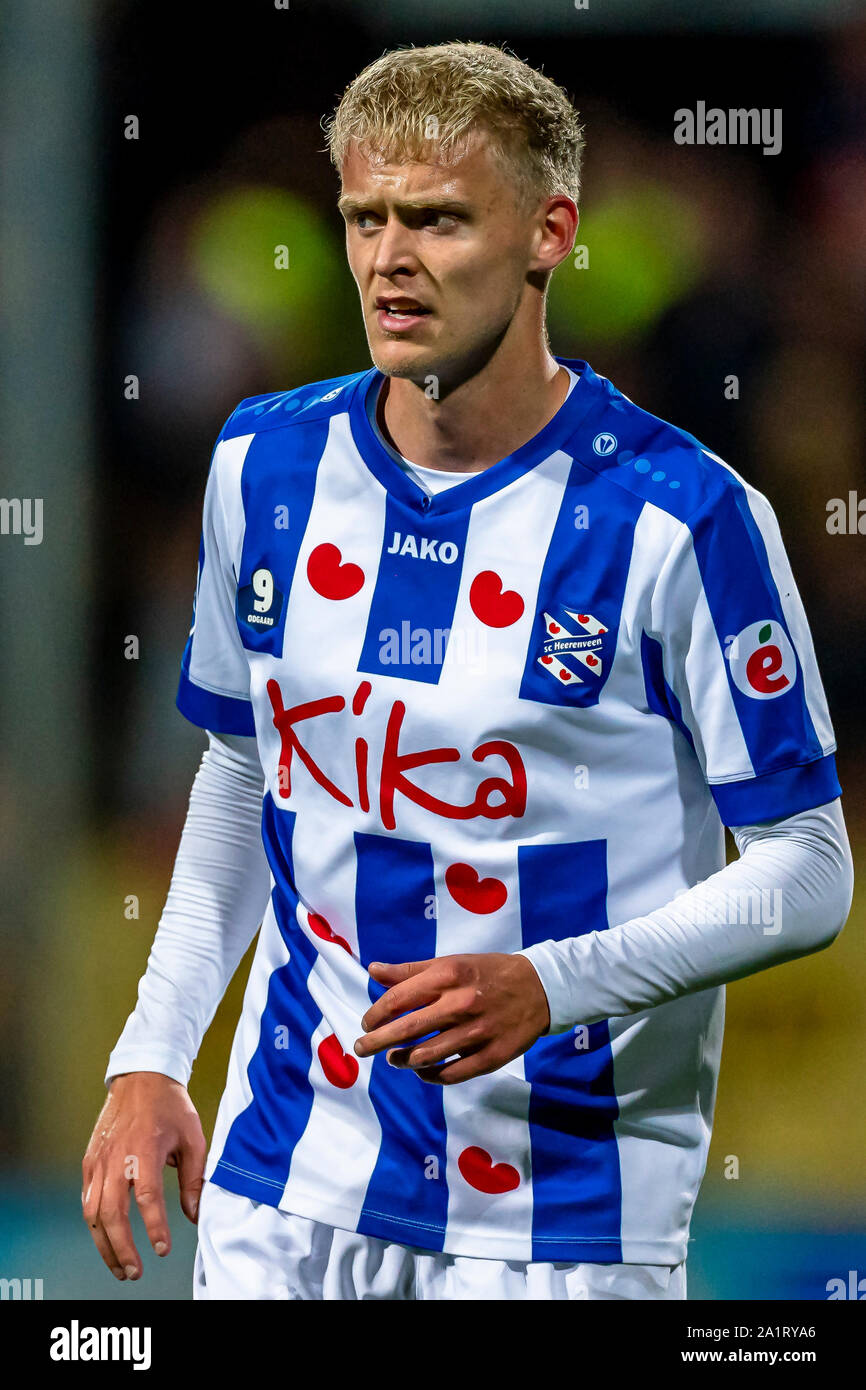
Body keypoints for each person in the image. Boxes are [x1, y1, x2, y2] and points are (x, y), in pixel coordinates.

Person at [83, 41, 853, 1301]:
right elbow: (242, 769)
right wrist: (151, 1053)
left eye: (437, 219)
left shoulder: (678, 520)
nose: (390, 258)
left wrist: (553, 984)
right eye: (365, 217)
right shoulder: (262, 470)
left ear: (550, 233)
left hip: (564, 1218)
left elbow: (808, 868)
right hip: (285, 1180)